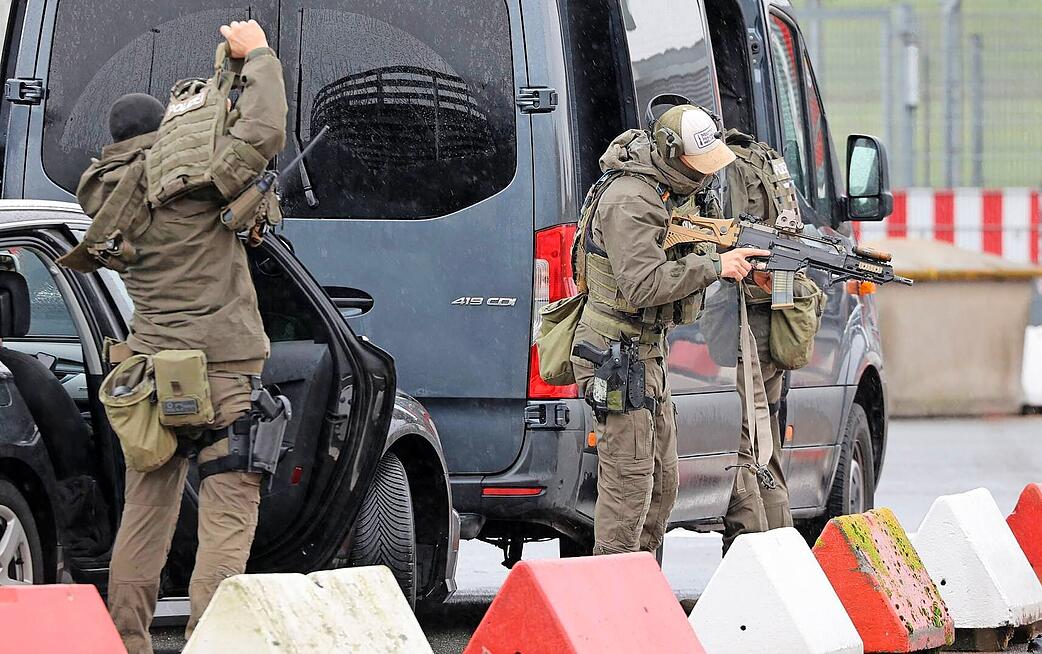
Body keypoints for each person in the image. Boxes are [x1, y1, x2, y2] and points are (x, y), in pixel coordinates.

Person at [59, 20, 287, 652]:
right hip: (221, 367)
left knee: (146, 512)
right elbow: (263, 129)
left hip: (149, 371)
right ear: (164, 133)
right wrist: (258, 55)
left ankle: (125, 640)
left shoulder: (109, 199)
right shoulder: (193, 184)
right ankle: (210, 640)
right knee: (228, 510)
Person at [569, 103, 769, 556]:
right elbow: (642, 285)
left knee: (661, 485)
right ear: (669, 153)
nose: (702, 178)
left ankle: (642, 596)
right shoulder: (630, 199)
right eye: (695, 167)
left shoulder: (671, 194)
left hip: (645, 356)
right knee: (629, 489)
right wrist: (716, 265)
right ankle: (613, 602)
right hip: (614, 355)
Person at [715, 128, 819, 553]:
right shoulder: (764, 159)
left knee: (747, 444)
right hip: (765, 323)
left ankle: (753, 554)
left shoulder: (725, 168)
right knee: (763, 444)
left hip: (742, 325)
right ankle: (775, 553)